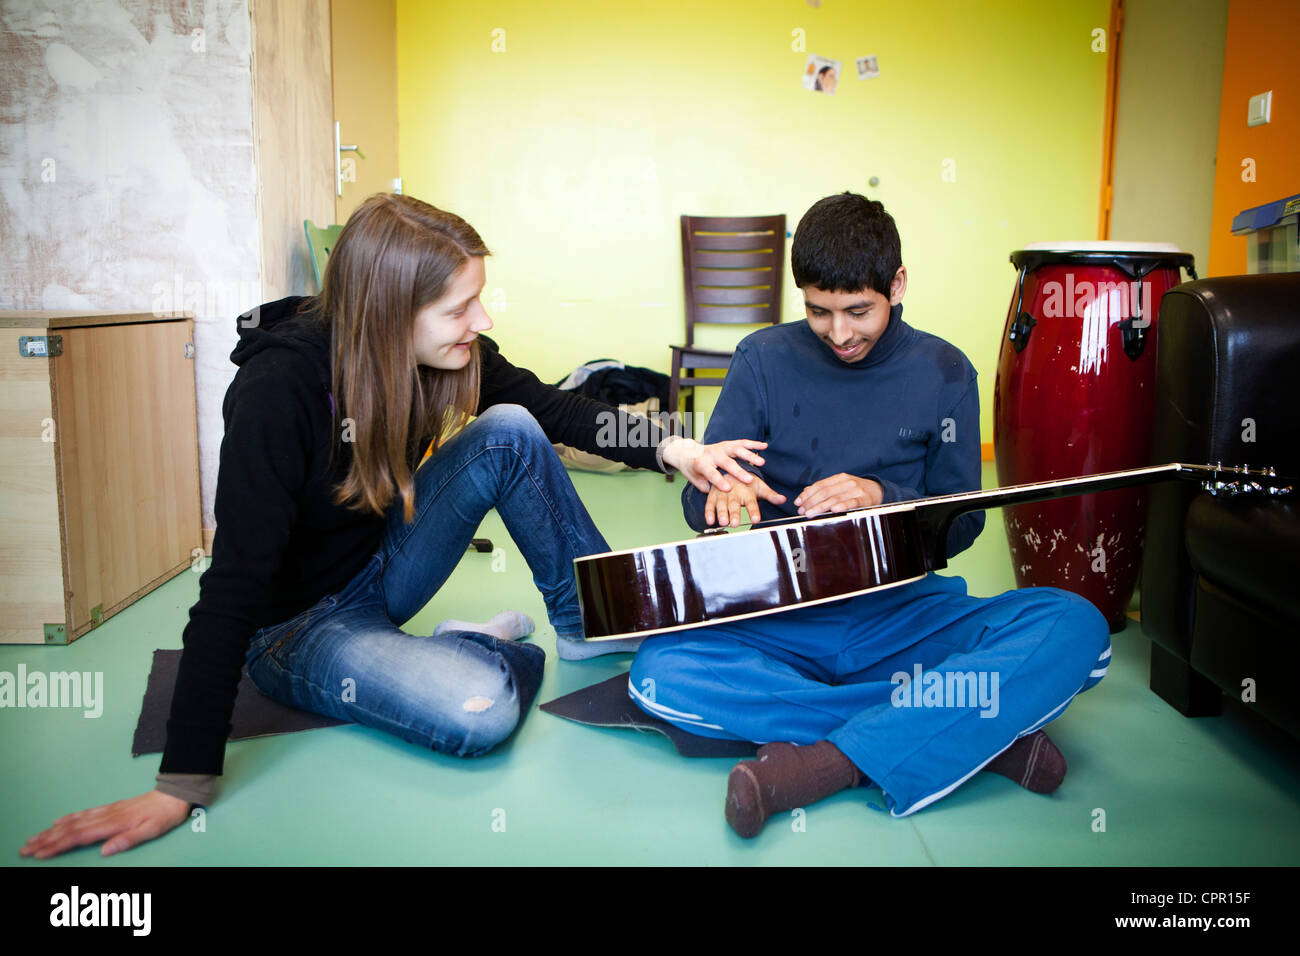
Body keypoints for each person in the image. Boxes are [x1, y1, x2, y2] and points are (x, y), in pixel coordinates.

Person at [19, 193, 766, 859]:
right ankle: (464, 649)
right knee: (478, 713)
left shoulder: (443, 356)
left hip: (382, 567)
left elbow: (550, 406)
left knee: (507, 424)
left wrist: (675, 445)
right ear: (388, 313)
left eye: (479, 299)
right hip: (298, 629)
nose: (484, 320)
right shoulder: (279, 392)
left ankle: (585, 621)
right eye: (460, 308)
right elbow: (233, 585)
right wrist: (180, 783)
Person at [628, 192, 1111, 837]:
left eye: (859, 310)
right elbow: (700, 496)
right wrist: (723, 505)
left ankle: (829, 761)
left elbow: (960, 523)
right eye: (818, 311)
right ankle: (964, 730)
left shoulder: (945, 372)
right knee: (658, 672)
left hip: (900, 615)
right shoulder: (762, 360)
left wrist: (884, 499)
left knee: (1075, 626)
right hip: (778, 614)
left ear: (898, 285)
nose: (839, 333)